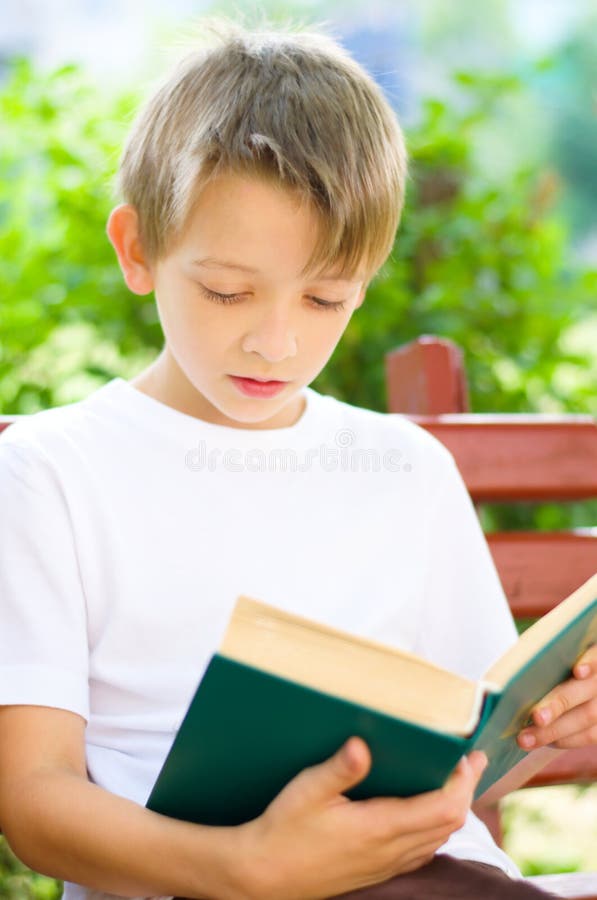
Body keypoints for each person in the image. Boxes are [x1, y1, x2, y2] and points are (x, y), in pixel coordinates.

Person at [0, 16, 595, 900]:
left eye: (325, 299)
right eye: (227, 290)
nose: (275, 342)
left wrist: (550, 724)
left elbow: (469, 762)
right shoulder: (52, 472)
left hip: (427, 879)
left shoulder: (405, 469)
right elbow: (33, 800)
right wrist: (242, 869)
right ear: (138, 250)